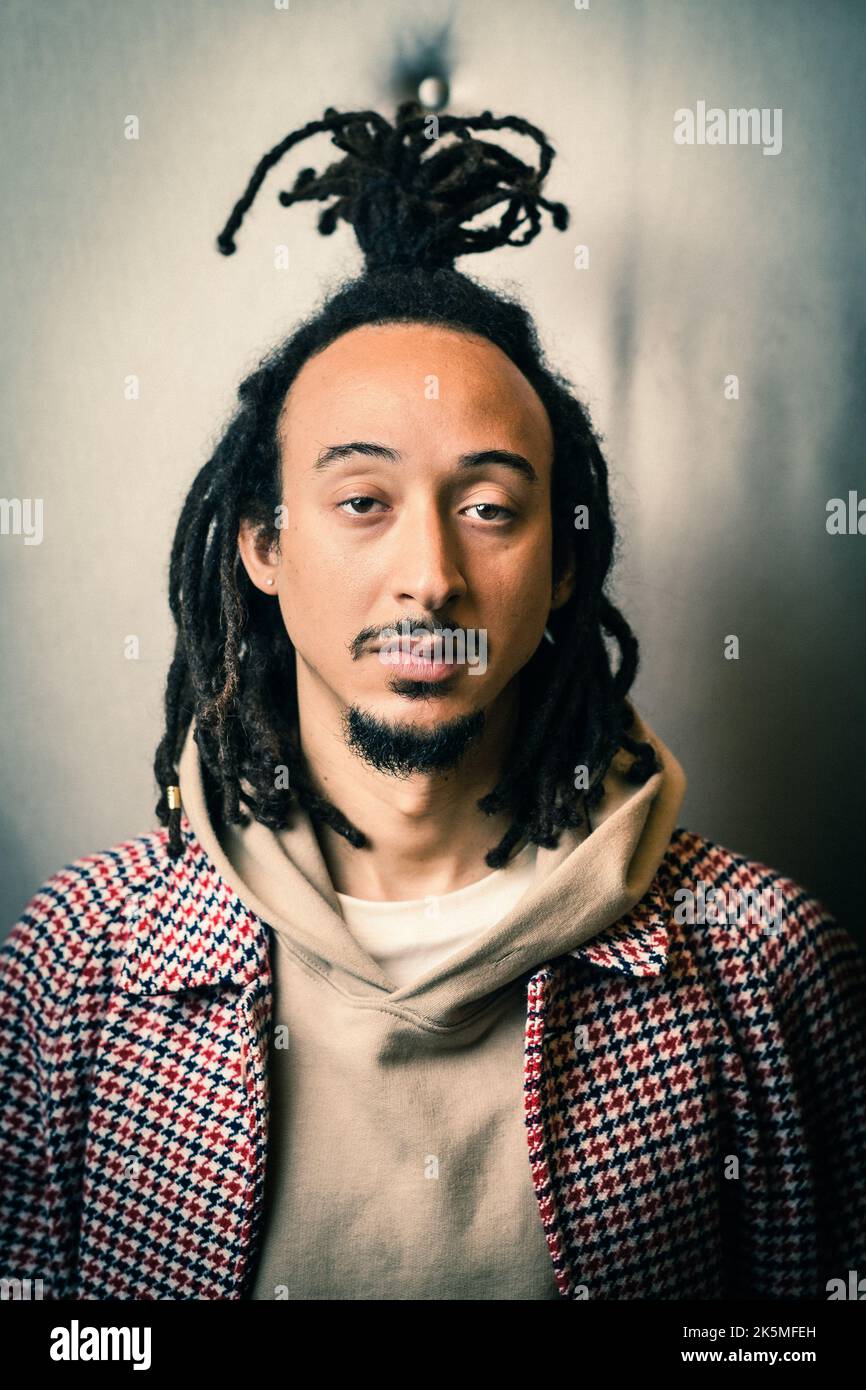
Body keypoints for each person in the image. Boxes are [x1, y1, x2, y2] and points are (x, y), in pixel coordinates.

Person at [1, 101, 864, 1302]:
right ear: (260, 541)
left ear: (562, 566)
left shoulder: (762, 968)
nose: (428, 574)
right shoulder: (77, 965)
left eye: (490, 508)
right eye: (361, 500)